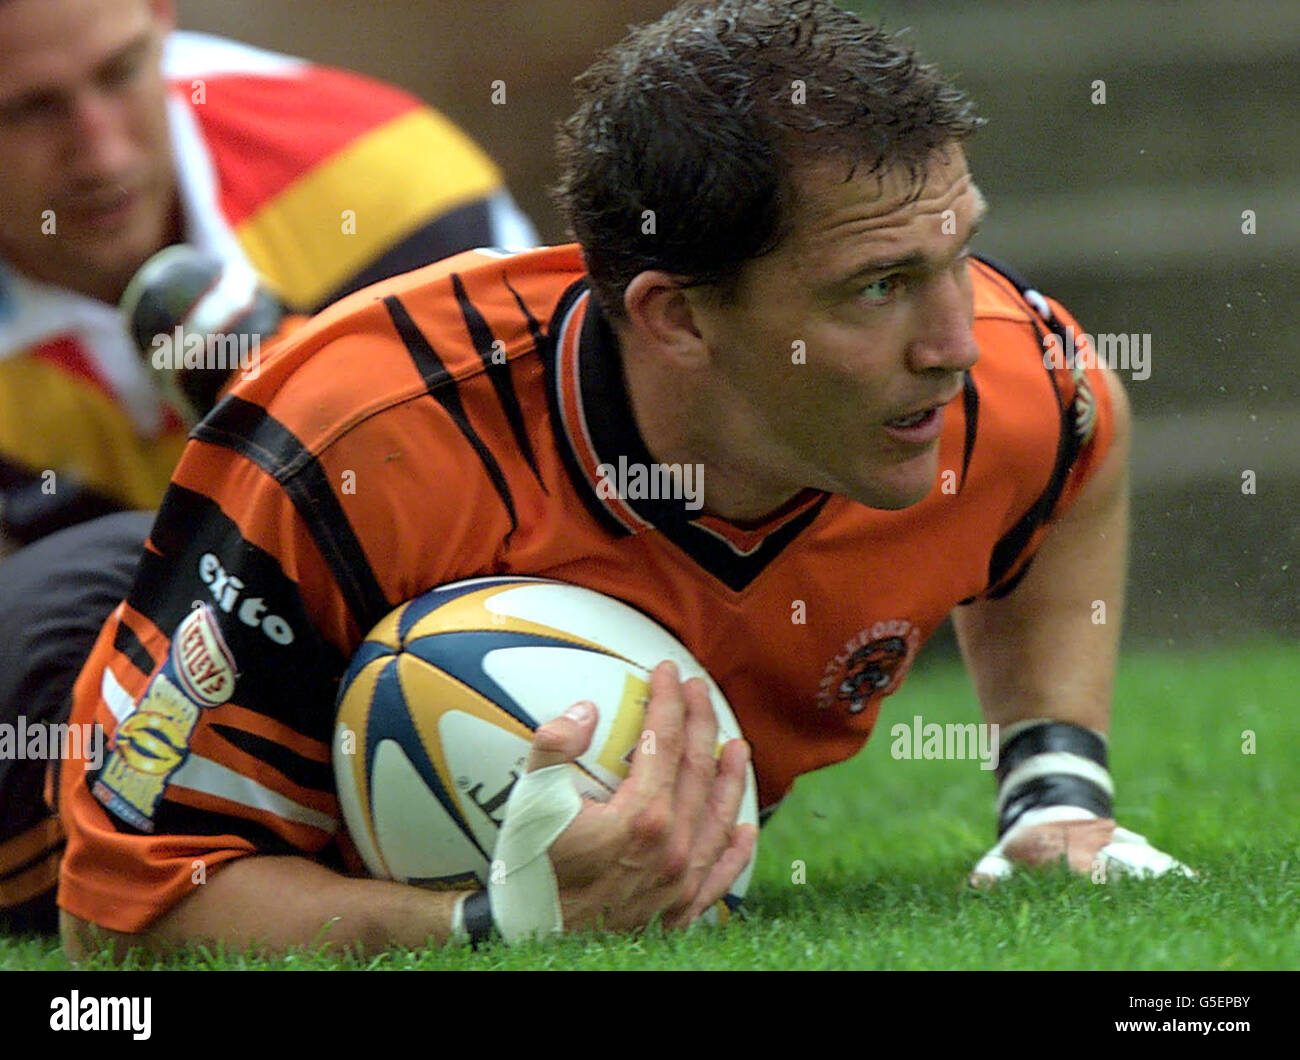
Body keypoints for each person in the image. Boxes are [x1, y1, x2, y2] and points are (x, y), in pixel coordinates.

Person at [55, 0, 1190, 960]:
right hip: (92, 623)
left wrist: (1053, 788)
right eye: (879, 286)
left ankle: (244, 342)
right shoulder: (346, 452)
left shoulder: (993, 374)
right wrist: (483, 922)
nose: (954, 337)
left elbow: (1082, 435)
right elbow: (113, 915)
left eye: (959, 252)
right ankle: (254, 360)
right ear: (678, 315)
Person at [0, 0, 536, 931]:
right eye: (22, 111)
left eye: (123, 72)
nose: (101, 153)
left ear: (163, 17)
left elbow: (561, 522)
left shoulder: (387, 185)